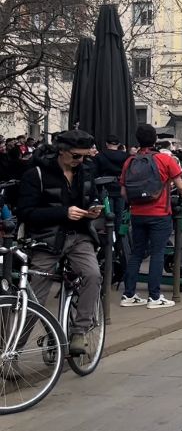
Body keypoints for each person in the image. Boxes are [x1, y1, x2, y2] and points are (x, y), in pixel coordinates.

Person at [16, 130, 103, 355]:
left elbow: (93, 195)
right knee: (35, 296)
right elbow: (25, 212)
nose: (80, 160)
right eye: (76, 156)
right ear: (61, 151)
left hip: (79, 236)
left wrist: (93, 208)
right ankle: (14, 349)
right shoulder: (36, 174)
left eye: (85, 156)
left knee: (93, 275)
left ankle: (79, 332)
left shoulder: (85, 171)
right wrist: (64, 212)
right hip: (47, 239)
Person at [120, 123, 182, 309]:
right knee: (157, 253)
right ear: (155, 139)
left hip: (137, 213)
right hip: (160, 213)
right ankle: (154, 296)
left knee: (137, 253)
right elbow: (181, 185)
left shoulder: (129, 161)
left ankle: (128, 294)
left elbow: (123, 192)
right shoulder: (164, 159)